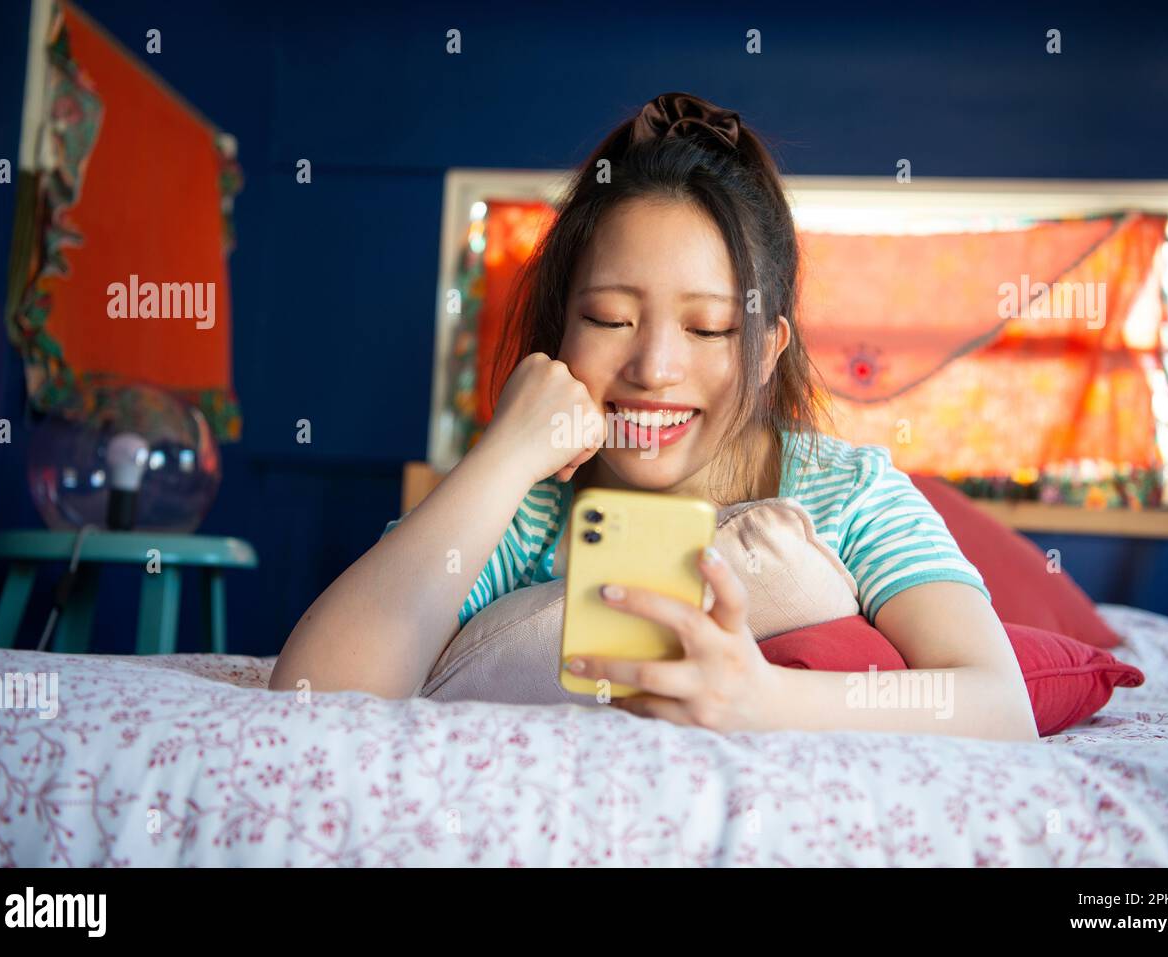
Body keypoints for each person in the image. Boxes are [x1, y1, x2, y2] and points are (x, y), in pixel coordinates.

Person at [269, 91, 1038, 742]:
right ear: (558, 330)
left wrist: (765, 701)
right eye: (608, 318)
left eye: (708, 329)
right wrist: (499, 460)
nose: (653, 370)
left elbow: (1000, 704)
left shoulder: (852, 495)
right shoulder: (523, 509)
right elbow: (315, 693)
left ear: (769, 349)